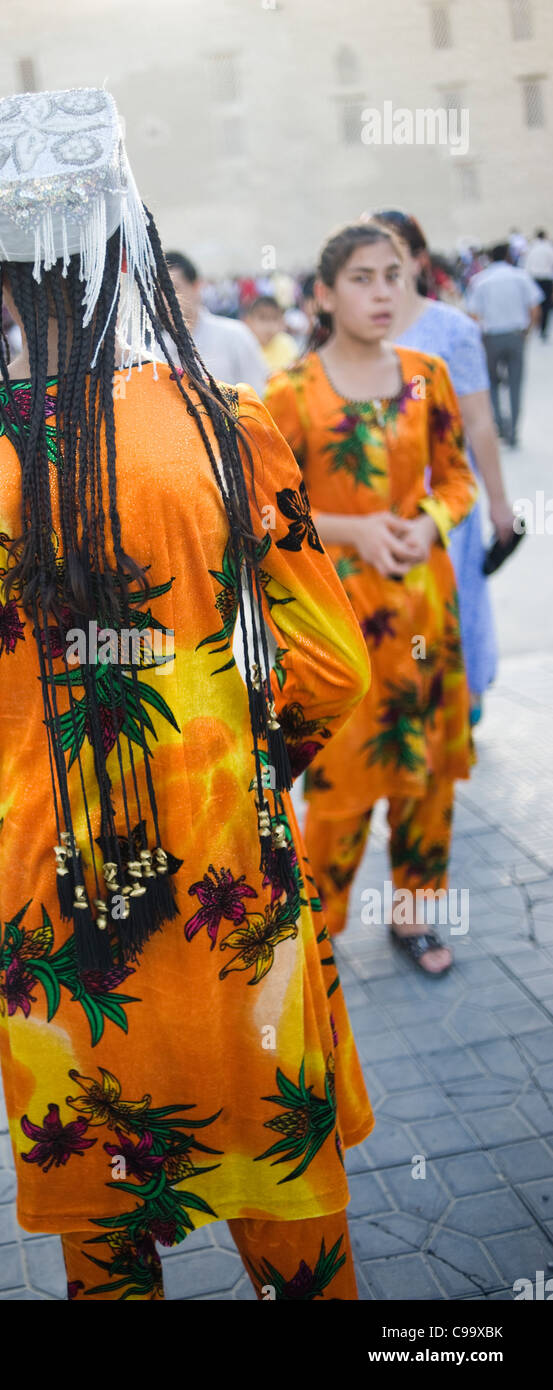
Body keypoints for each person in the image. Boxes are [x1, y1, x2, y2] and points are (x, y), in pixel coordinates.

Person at [0, 87, 375, 1301]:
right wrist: (239, 757)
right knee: (297, 1240)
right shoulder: (227, 422)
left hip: (59, 906)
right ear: (124, 240)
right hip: (233, 885)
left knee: (108, 1254)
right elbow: (332, 665)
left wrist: (33, 765)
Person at [265, 223, 478, 977]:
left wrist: (430, 522)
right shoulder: (289, 394)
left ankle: (414, 915)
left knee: (429, 781)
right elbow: (262, 516)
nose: (382, 291)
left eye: (393, 274)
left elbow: (457, 479)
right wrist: (351, 528)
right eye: (361, 278)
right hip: (341, 628)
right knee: (341, 785)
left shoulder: (425, 374)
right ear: (323, 294)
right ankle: (313, 935)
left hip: (427, 613)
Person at [365, 209, 514, 725]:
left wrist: (498, 502)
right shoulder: (358, 330)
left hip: (447, 501)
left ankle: (463, 701)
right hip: (381, 505)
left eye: (392, 254)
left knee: (458, 599)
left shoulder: (451, 329)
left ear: (416, 259)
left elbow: (478, 423)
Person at [465, 243, 542, 446]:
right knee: (516, 383)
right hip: (516, 334)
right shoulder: (520, 276)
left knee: (492, 383)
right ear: (509, 256)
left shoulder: (480, 280)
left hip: (491, 337)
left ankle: (499, 423)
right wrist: (528, 331)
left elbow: (473, 314)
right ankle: (514, 430)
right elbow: (535, 307)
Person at [164, 251, 267, 394]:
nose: (165, 299)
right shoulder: (156, 350)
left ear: (196, 286)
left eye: (173, 289)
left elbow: (259, 395)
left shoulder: (235, 336)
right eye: (158, 290)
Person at [242, 294, 299, 373]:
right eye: (262, 318)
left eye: (274, 318)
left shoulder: (287, 343)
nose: (269, 326)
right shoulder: (242, 345)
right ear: (248, 321)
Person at [523, 229, 553, 341]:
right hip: (546, 279)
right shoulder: (548, 247)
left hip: (533, 279)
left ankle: (535, 327)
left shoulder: (531, 248)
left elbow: (526, 265)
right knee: (545, 305)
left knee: (534, 304)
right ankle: (543, 329)